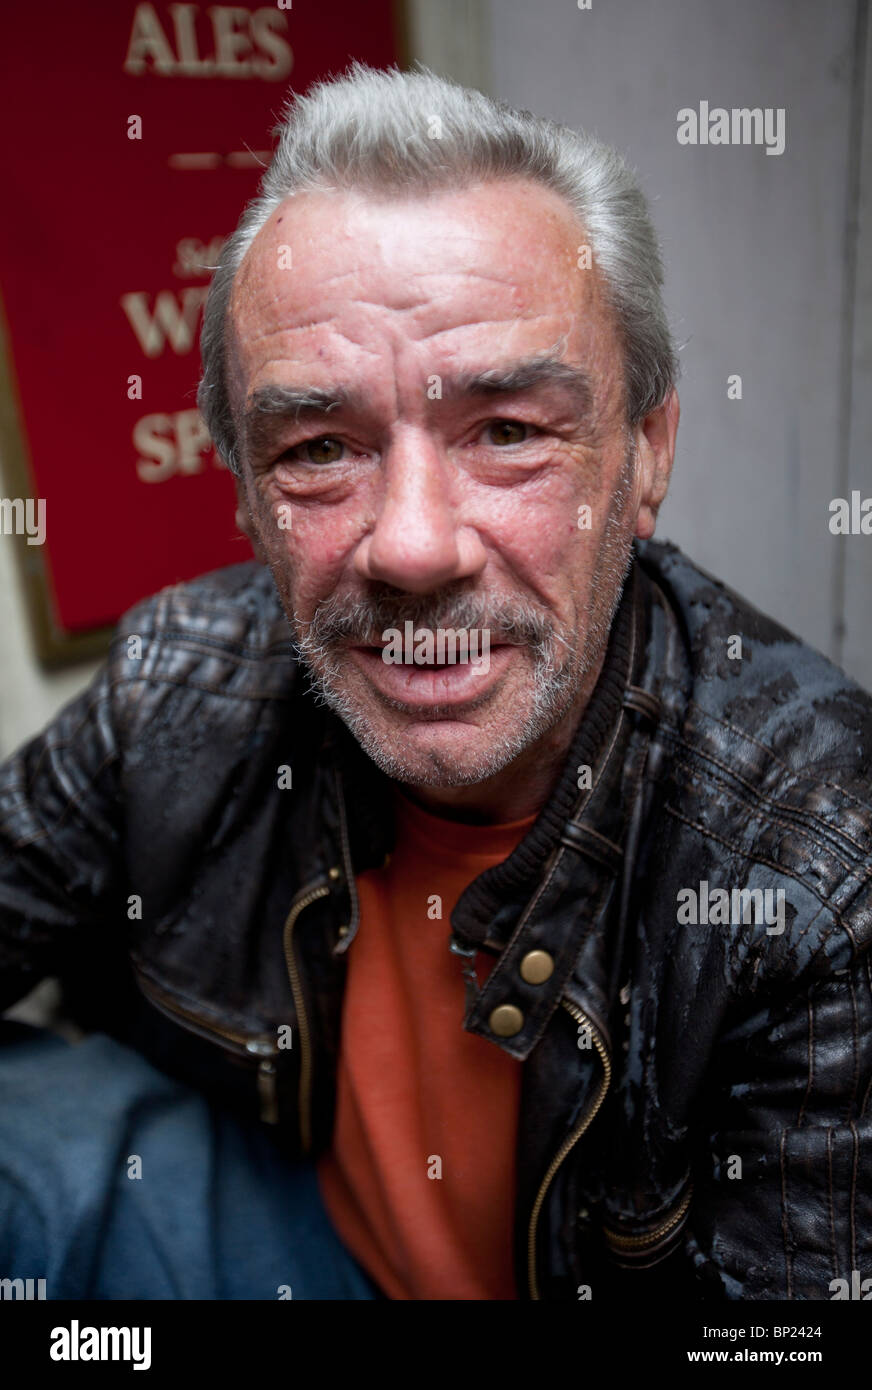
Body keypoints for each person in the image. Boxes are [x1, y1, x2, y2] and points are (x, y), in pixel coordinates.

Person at [1, 62, 869, 1303]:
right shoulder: (176, 682)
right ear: (246, 498)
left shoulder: (819, 872)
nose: (411, 547)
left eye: (507, 429)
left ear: (643, 454)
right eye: (319, 449)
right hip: (288, 1235)